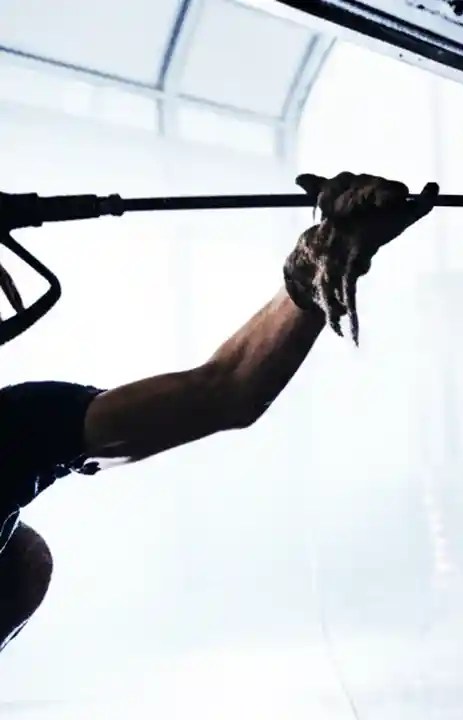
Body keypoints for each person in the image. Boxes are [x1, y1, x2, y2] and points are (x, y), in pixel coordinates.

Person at [0, 171, 439, 651]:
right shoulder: (15, 436)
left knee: (25, 560)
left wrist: (315, 267)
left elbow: (225, 391)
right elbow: (224, 393)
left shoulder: (18, 432)